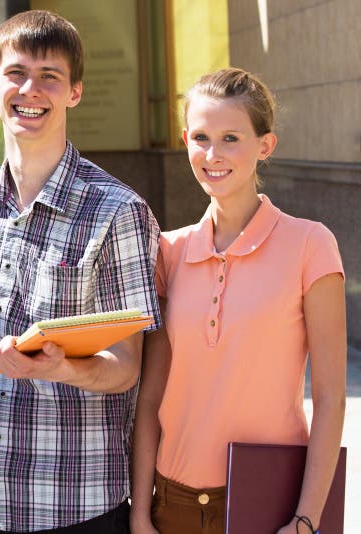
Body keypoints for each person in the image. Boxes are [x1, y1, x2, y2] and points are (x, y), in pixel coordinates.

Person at [0, 10, 161, 534]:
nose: (31, 89)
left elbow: (127, 365)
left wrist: (59, 367)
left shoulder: (118, 212)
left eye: (51, 77)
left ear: (75, 92)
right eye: (17, 73)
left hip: (75, 506)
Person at [129, 68, 346, 534]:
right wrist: (140, 513)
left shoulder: (311, 245)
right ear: (185, 140)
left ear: (264, 145)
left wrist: (306, 519)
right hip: (173, 503)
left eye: (231, 138)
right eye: (202, 137)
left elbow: (330, 398)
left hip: (268, 504)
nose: (213, 155)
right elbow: (150, 397)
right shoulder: (168, 251)